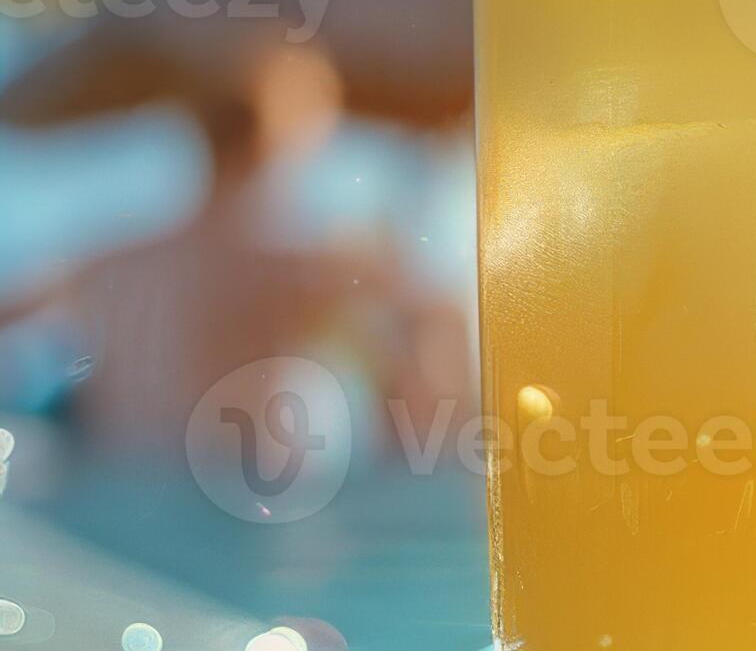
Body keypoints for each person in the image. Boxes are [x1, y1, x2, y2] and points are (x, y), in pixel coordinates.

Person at [0, 42, 469, 469]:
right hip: (229, 498)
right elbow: (436, 311)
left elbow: (12, 310)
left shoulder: (114, 260)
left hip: (116, 494)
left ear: (202, 134)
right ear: (286, 142)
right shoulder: (293, 267)